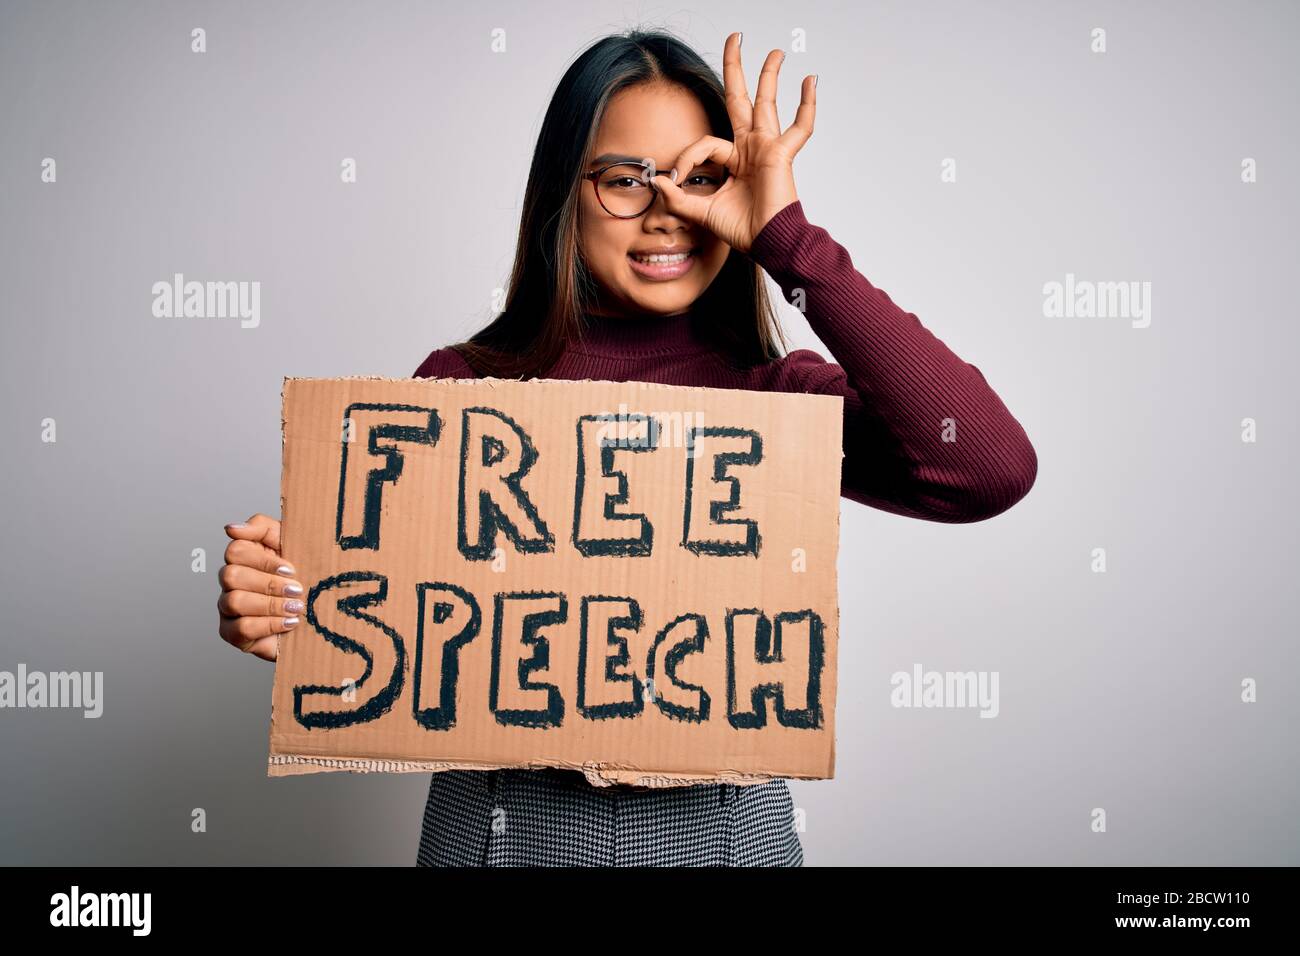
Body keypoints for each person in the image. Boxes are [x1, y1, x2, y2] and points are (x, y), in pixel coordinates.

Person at [217, 29, 1037, 866]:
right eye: (624, 181)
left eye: (700, 179)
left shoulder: (778, 401)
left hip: (724, 844)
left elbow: (989, 468)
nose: (667, 213)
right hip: (499, 842)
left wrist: (786, 238)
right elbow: (387, 614)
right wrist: (286, 607)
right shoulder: (460, 393)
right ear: (563, 195)